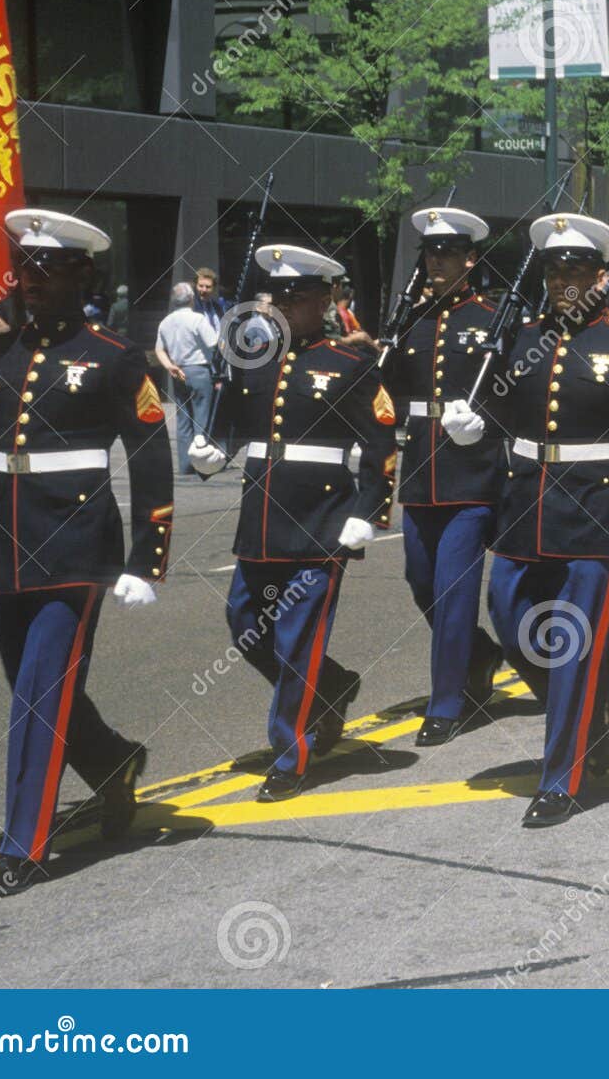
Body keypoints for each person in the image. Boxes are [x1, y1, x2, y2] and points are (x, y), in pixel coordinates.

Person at [0, 208, 172, 897]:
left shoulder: (113, 355)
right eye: (25, 268)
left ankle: (24, 844)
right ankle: (113, 763)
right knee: (34, 687)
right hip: (8, 546)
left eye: (47, 269)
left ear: (82, 274)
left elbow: (151, 454)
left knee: (40, 696)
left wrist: (145, 558)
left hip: (78, 548)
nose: (30, 281)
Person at [447, 211, 609, 828]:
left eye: (574, 268)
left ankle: (562, 778)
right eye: (553, 268)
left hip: (592, 512)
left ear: (601, 276)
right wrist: (476, 426)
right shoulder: (518, 337)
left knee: (572, 643)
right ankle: (589, 702)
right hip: (525, 505)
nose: (562, 280)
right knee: (509, 614)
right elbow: (499, 408)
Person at [187, 244, 396, 802]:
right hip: (262, 516)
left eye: (296, 298)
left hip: (321, 518)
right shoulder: (253, 359)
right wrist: (211, 451)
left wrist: (369, 513)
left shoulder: (350, 365)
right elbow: (231, 425)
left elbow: (382, 445)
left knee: (297, 638)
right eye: (277, 296)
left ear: (325, 299)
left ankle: (291, 752)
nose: (283, 306)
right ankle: (331, 686)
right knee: (245, 623)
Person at [386, 205, 506, 747]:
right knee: (421, 581)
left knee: (454, 588)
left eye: (448, 254)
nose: (437, 262)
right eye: (431, 254)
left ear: (470, 259)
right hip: (422, 472)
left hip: (471, 474)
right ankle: (479, 654)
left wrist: (487, 421)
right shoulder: (409, 319)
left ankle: (447, 702)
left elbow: (517, 394)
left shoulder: (493, 320)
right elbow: (385, 393)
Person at [154, 282, 218, 476]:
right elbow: (213, 343)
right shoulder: (197, 319)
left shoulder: (165, 322)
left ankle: (185, 466)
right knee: (202, 417)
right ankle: (202, 463)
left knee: (183, 419)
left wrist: (169, 366)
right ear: (191, 299)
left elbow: (159, 349)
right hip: (199, 370)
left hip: (177, 372)